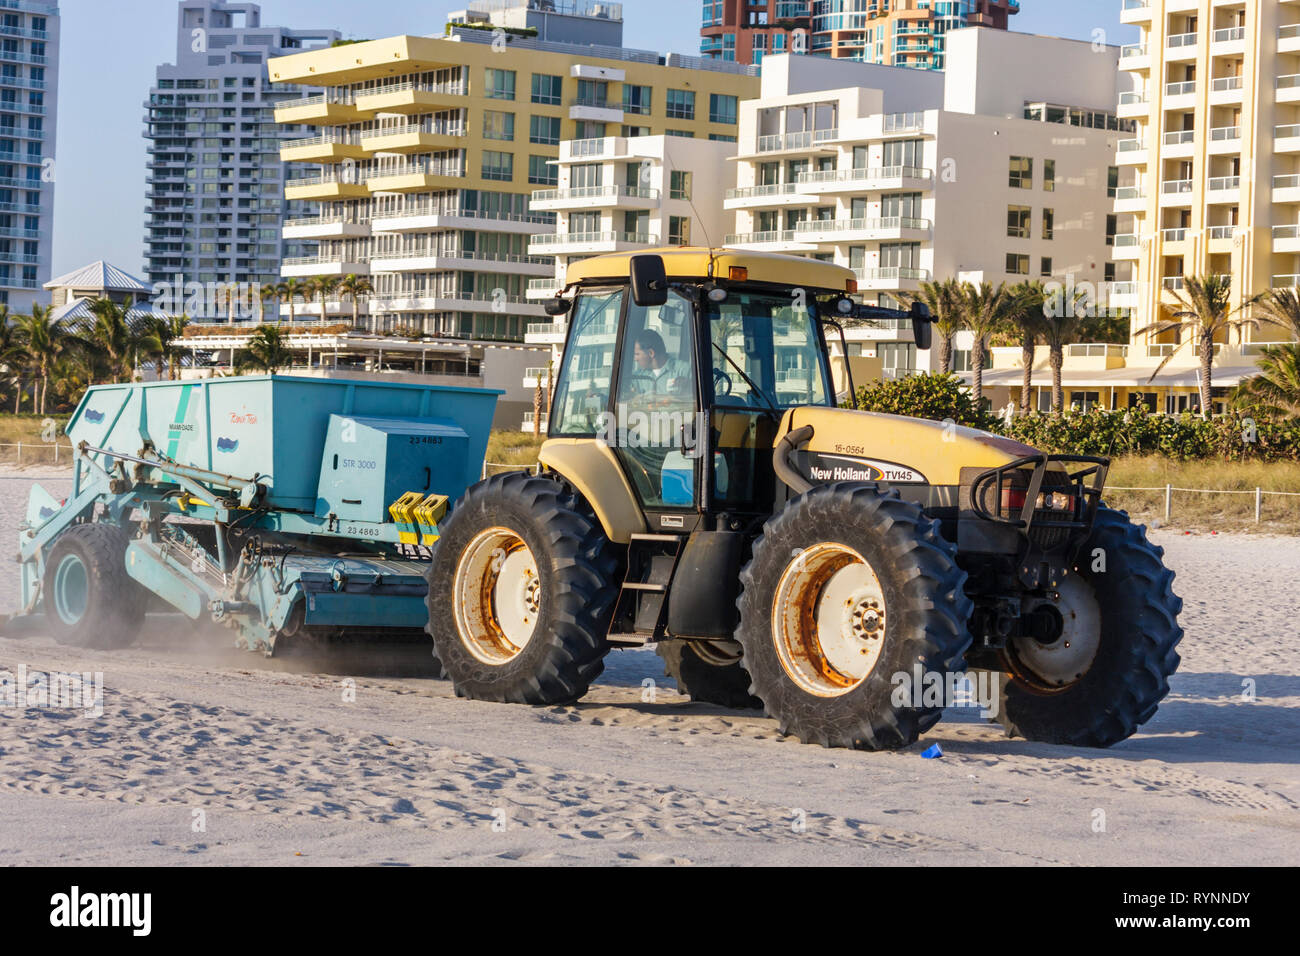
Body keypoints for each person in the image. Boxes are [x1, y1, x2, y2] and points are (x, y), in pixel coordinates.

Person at [629, 329, 691, 398]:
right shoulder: (637, 377)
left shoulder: (684, 371)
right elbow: (623, 404)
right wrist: (622, 408)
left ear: (651, 353)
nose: (635, 359)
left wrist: (688, 388)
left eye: (637, 354)